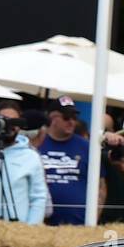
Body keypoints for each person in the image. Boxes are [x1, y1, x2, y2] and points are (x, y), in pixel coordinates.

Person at [0, 110, 51, 224]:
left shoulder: (31, 157)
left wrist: (30, 230)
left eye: (13, 122)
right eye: (3, 120)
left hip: (16, 231)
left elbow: (39, 198)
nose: (8, 126)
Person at [38, 96, 88, 225]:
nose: (71, 122)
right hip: (40, 223)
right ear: (52, 118)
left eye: (74, 117)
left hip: (77, 224)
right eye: (66, 117)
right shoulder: (38, 142)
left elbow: (100, 186)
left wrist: (92, 220)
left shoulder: (86, 146)